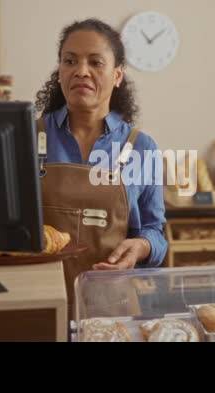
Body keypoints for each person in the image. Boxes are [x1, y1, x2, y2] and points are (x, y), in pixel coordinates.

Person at [35, 18, 167, 292]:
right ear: (59, 71)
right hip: (39, 296)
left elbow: (155, 231)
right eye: (69, 61)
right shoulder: (28, 138)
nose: (81, 71)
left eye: (95, 62)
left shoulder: (141, 147)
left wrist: (140, 247)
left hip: (113, 300)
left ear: (117, 76)